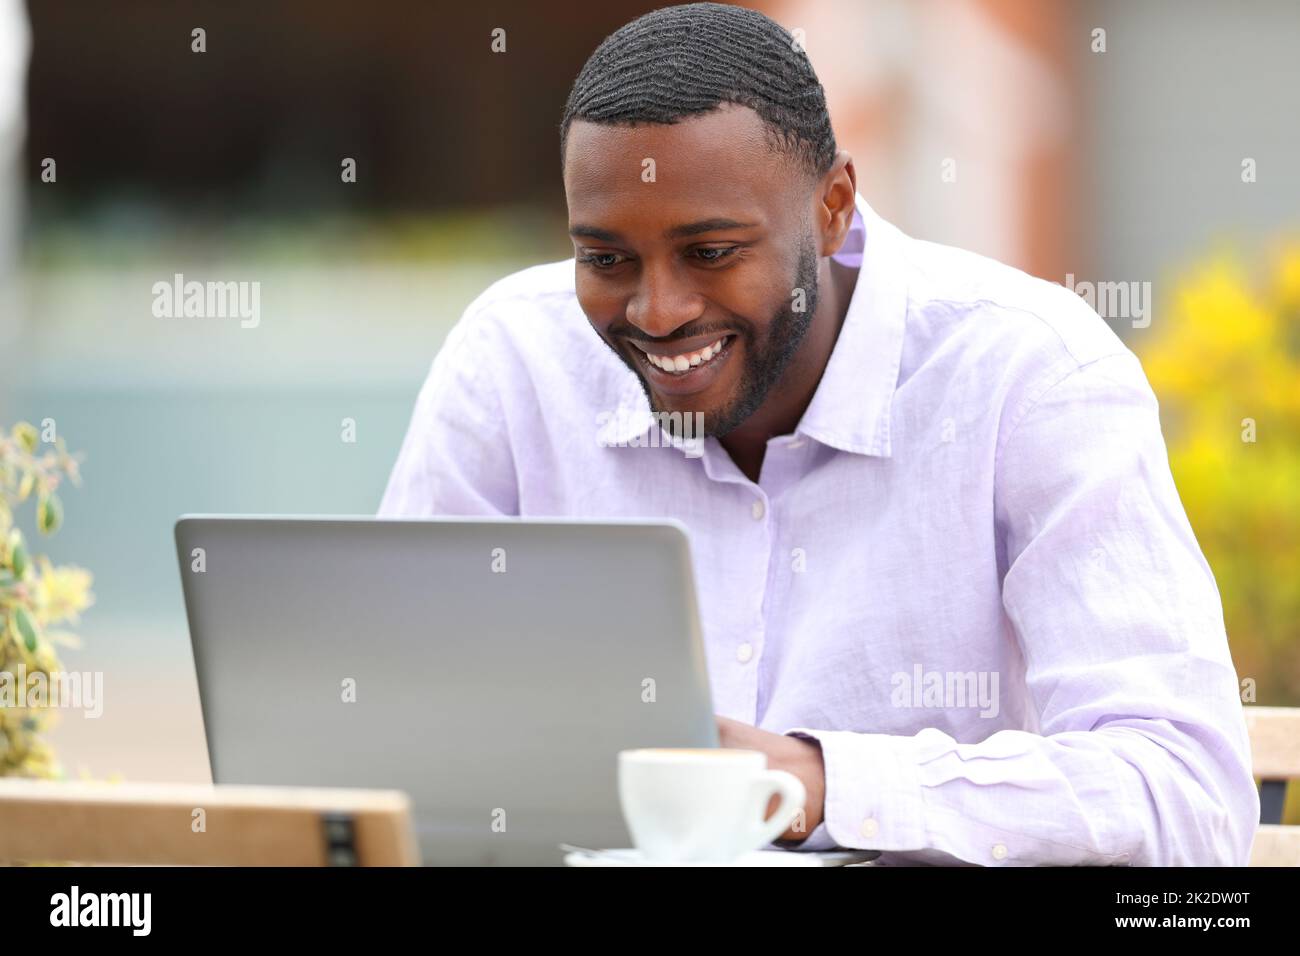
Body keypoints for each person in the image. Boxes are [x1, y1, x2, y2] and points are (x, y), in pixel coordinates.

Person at [380, 2, 1257, 865]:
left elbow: (1181, 792)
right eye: (606, 259)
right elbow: (385, 709)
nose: (657, 310)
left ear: (833, 206)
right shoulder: (513, 359)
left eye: (711, 251)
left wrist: (820, 783)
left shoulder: (1030, 374)